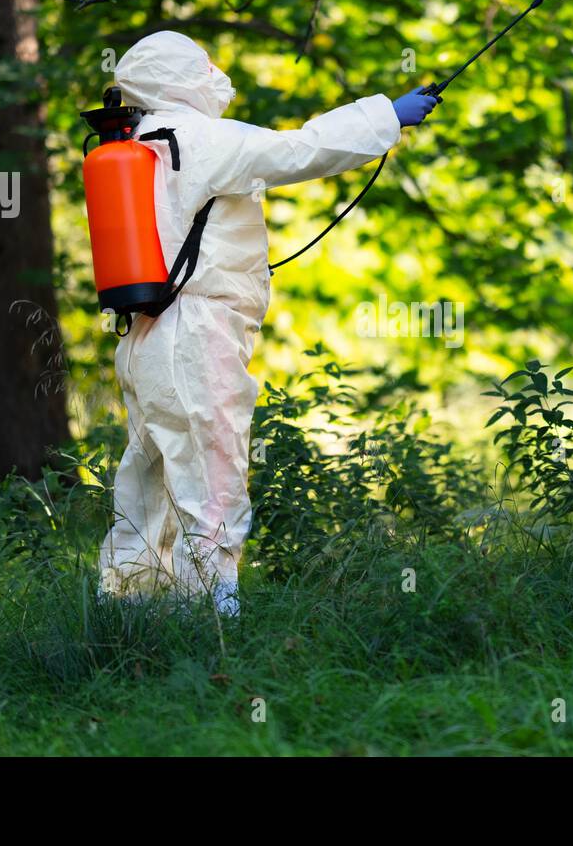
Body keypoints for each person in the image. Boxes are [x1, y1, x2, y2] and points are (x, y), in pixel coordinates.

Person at [97, 31, 439, 616]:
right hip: (194, 335)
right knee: (211, 477)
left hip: (145, 338)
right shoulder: (198, 137)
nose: (215, 75)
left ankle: (129, 618)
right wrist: (386, 115)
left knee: (150, 486)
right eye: (203, 66)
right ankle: (213, 625)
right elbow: (298, 149)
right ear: (181, 77)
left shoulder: (134, 144)